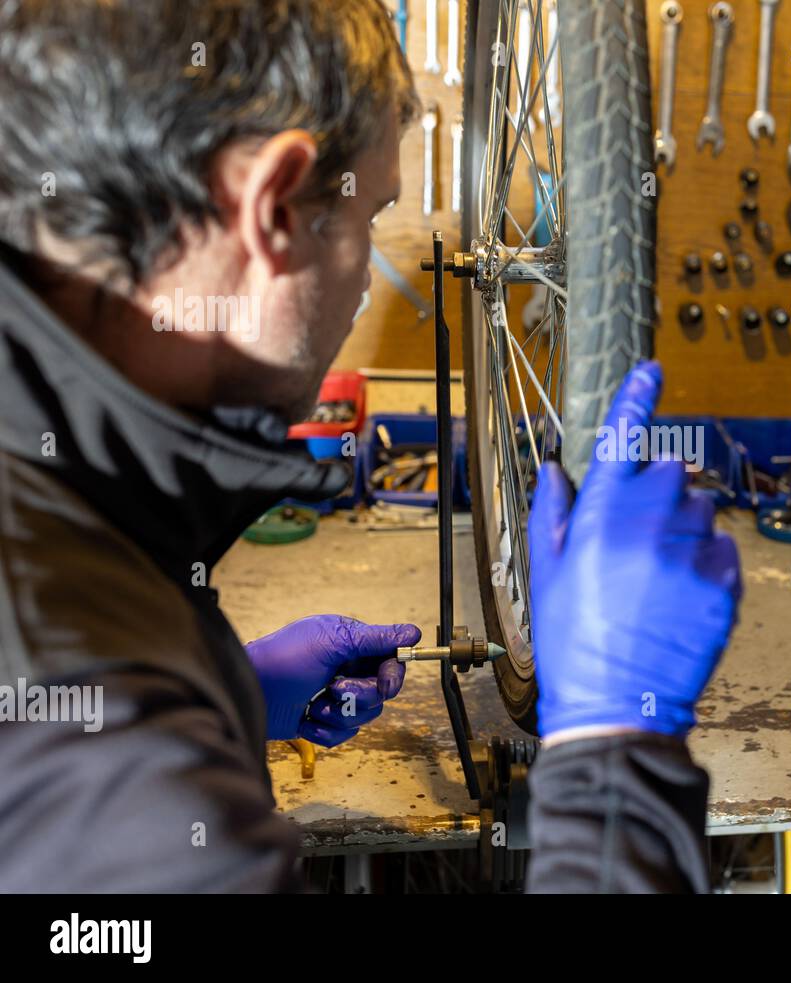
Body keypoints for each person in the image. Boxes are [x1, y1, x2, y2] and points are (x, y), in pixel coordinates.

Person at [0, 0, 739, 893]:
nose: (363, 277)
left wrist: (225, 687)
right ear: (271, 209)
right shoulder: (105, 759)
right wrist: (620, 754)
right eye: (367, 213)